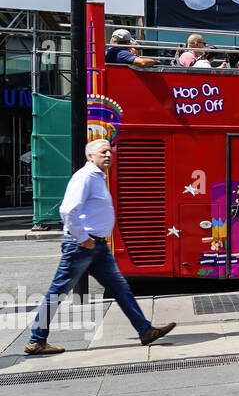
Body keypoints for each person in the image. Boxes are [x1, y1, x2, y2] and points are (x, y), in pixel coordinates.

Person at [25, 140, 176, 355]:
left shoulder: (97, 178)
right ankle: (36, 340)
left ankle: (145, 330)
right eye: (103, 152)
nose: (108, 154)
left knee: (120, 288)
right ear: (90, 156)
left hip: (97, 247)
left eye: (109, 151)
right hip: (81, 245)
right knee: (58, 291)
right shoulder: (85, 177)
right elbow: (68, 210)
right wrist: (82, 238)